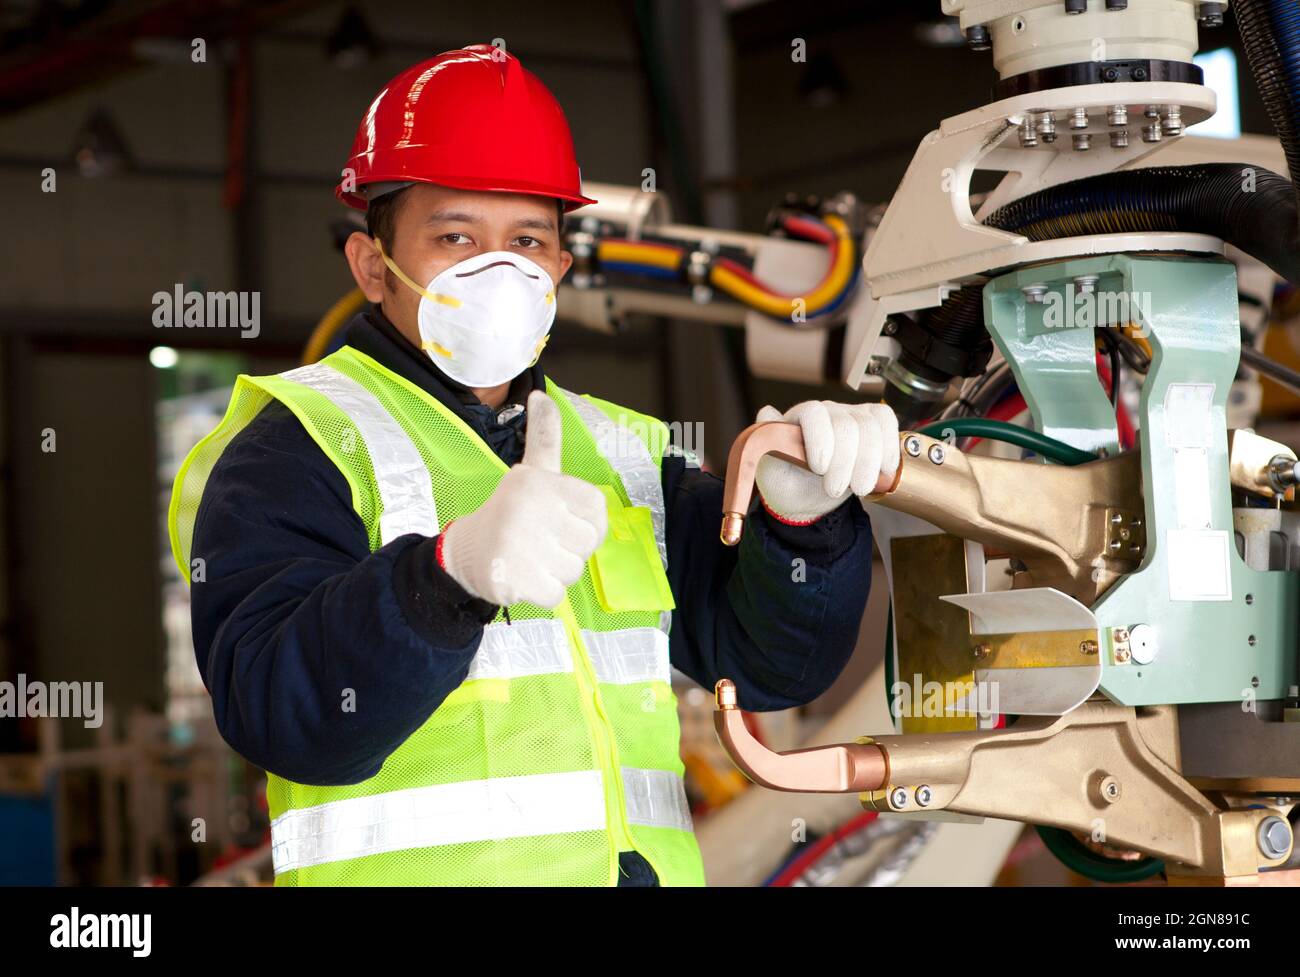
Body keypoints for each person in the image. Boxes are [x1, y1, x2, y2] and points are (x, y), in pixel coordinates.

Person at [168, 44, 899, 887]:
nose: (499, 269)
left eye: (524, 239)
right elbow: (281, 712)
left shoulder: (625, 453)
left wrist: (803, 528)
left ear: (558, 266)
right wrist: (445, 582)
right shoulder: (296, 445)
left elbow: (774, 666)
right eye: (454, 237)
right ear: (373, 267)